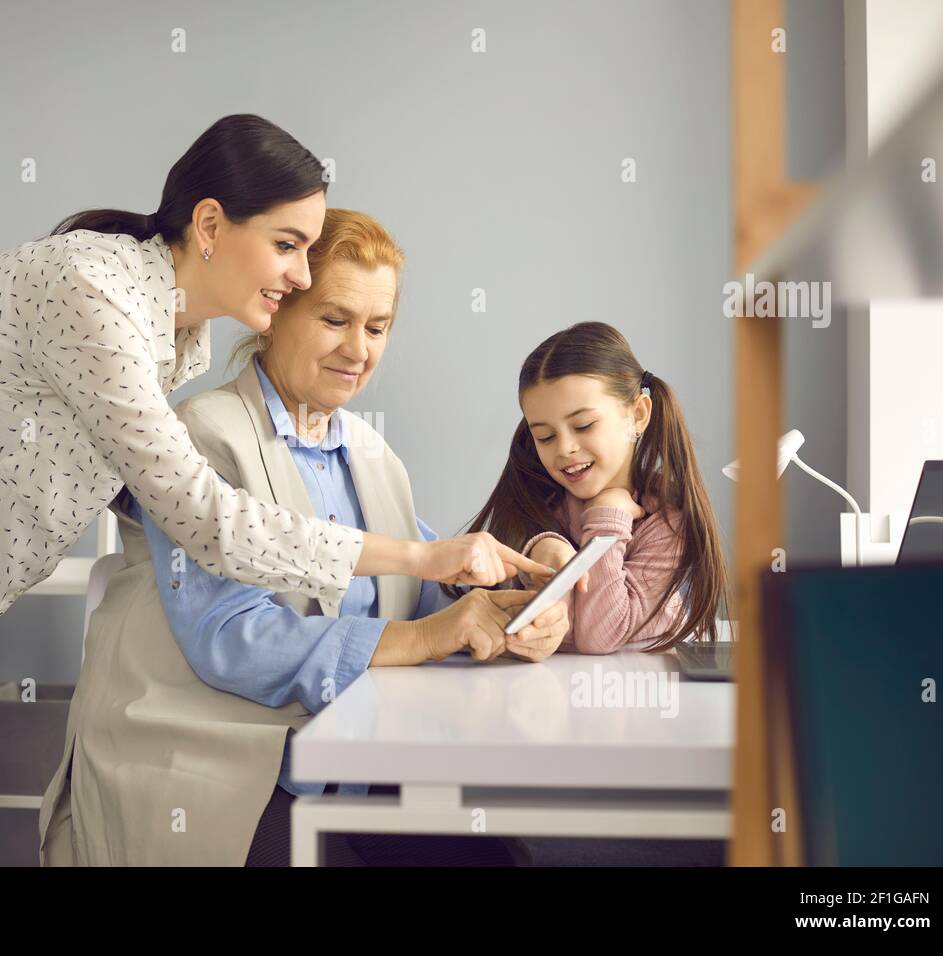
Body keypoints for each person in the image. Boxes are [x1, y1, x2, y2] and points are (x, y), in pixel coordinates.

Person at [0, 115, 546, 866]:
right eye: (288, 244)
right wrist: (428, 556)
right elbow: (206, 519)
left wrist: (496, 576)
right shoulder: (95, 291)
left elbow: (121, 483)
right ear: (211, 224)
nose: (298, 273)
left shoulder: (176, 341)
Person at [38, 209, 570, 866]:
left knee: (496, 860)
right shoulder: (200, 438)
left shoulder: (369, 454)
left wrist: (515, 607)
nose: (359, 349)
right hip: (224, 765)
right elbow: (231, 640)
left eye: (377, 327)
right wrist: (433, 636)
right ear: (276, 309)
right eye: (334, 319)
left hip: (346, 760)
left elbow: (426, 593)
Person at [448, 321, 730, 652]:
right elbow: (518, 625)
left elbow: (600, 636)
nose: (564, 448)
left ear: (637, 416)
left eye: (583, 425)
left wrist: (607, 517)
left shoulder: (666, 521)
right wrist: (545, 550)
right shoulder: (536, 507)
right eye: (546, 436)